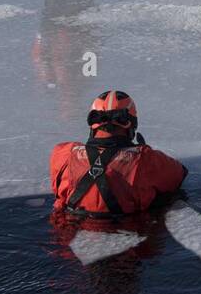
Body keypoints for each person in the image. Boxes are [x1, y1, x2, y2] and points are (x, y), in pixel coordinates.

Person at [50, 90, 187, 217]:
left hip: (70, 231)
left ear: (93, 124)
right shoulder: (146, 158)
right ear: (131, 125)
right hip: (129, 234)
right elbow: (180, 174)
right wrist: (143, 151)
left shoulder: (64, 153)